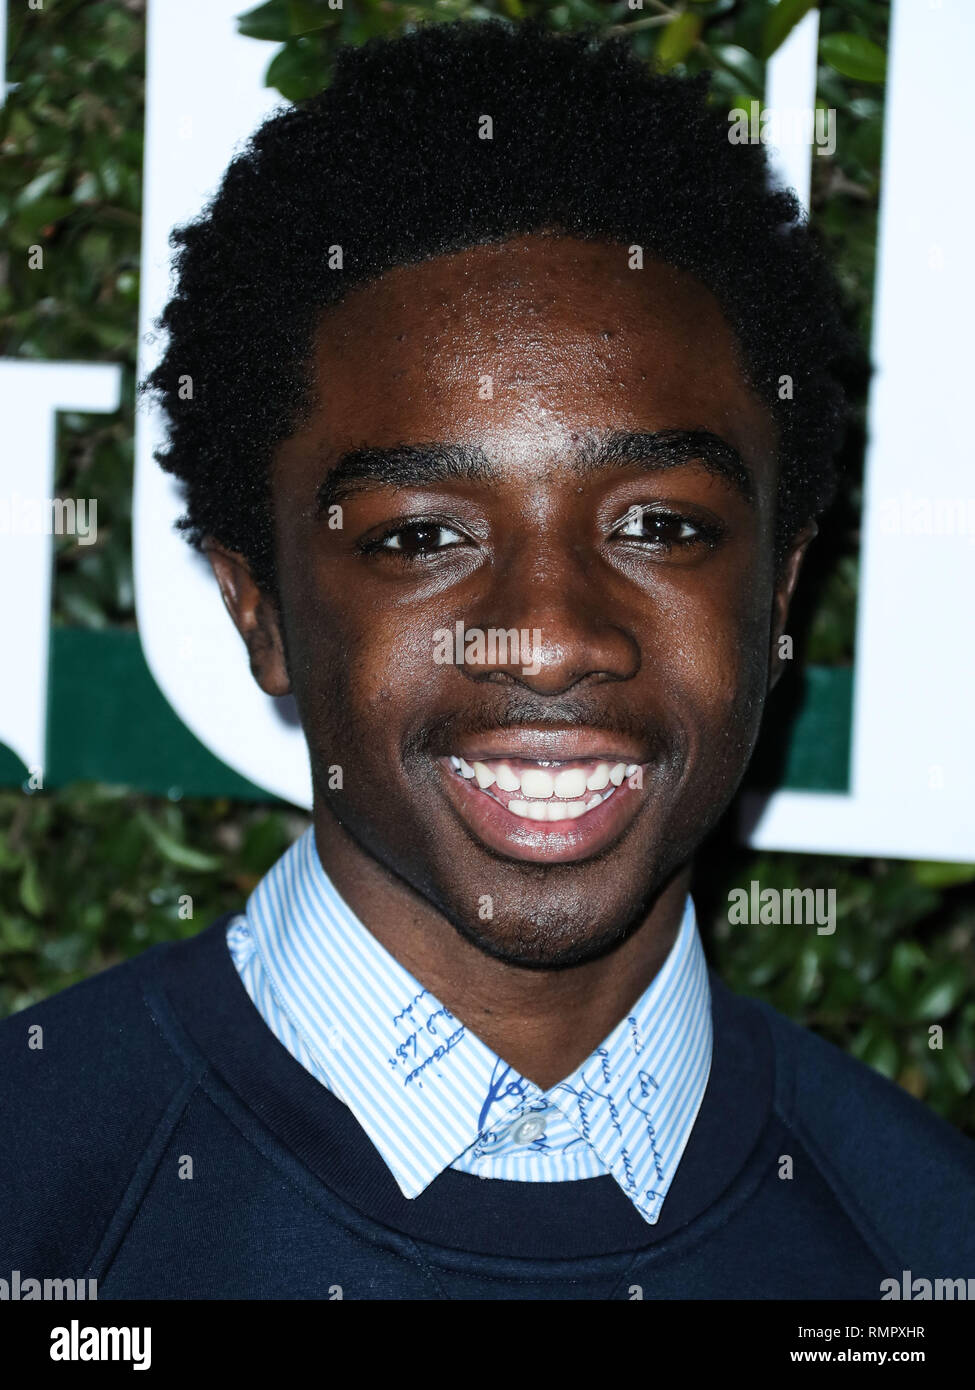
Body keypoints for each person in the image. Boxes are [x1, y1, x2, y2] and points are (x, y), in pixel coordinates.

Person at [2, 19, 972, 1301]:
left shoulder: (926, 1246)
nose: (557, 635)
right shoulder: (38, 1188)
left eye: (660, 526)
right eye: (422, 537)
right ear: (261, 609)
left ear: (779, 587)